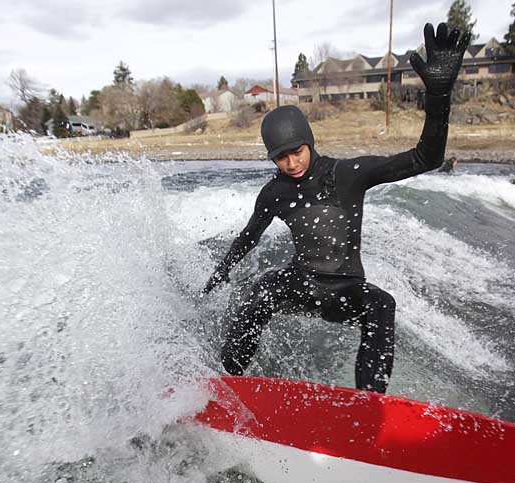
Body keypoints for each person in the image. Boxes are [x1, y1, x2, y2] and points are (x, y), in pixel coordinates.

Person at [202, 22, 472, 394]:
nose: (291, 163)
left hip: (346, 289)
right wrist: (222, 270)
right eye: (281, 157)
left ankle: (368, 401)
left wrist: (439, 96)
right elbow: (249, 237)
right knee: (263, 289)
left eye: (297, 152)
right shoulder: (274, 193)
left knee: (382, 304)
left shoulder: (347, 174)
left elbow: (426, 158)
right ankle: (226, 383)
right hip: (301, 283)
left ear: (309, 142)